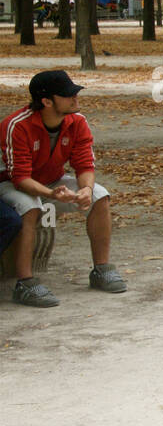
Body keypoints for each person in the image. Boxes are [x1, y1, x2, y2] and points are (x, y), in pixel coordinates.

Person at [1, 71, 127, 306]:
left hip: (52, 180)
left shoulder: (77, 121)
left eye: (75, 92)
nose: (75, 98)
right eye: (68, 94)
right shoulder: (16, 125)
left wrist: (86, 191)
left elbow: (84, 164)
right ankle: (25, 282)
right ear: (46, 101)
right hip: (11, 184)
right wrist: (51, 194)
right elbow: (19, 178)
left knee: (101, 196)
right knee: (29, 207)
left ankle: (101, 269)